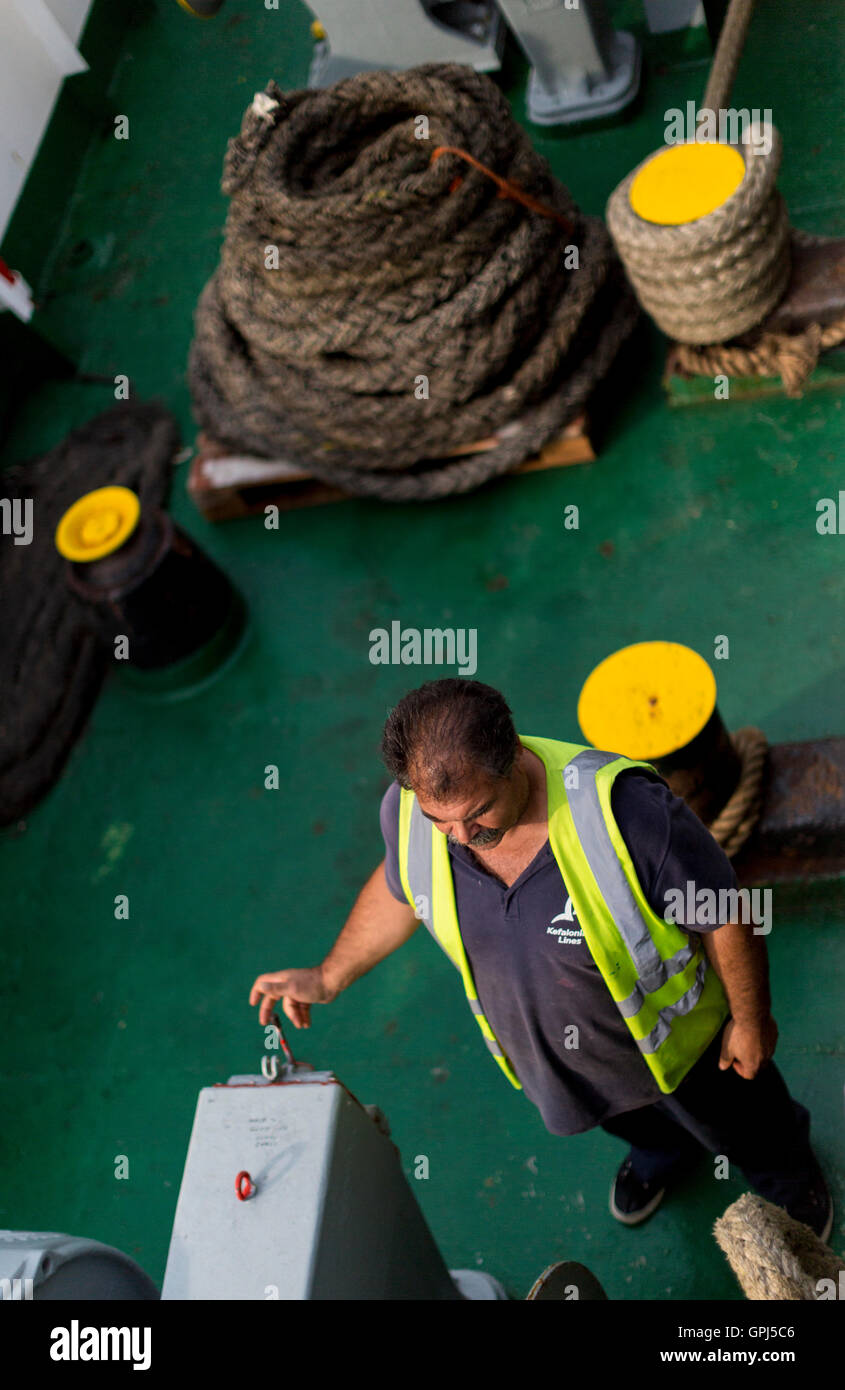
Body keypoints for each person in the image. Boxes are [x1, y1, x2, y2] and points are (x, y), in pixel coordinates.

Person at [249, 679, 832, 1240]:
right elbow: (403, 885)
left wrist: (751, 1022)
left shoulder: (625, 812)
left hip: (688, 1051)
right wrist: (329, 975)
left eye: (477, 814)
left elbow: (727, 913)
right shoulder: (412, 814)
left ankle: (791, 1180)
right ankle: (661, 1149)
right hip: (566, 1067)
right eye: (439, 820)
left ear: (515, 757)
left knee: (753, 1128)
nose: (456, 836)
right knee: (632, 1123)